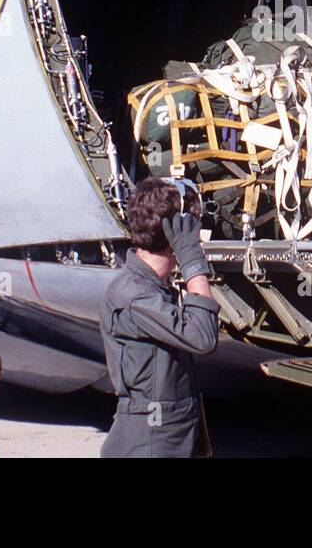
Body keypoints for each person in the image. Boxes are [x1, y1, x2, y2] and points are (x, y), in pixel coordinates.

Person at [100, 176, 219, 457]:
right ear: (173, 234)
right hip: (153, 440)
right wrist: (192, 263)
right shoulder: (134, 293)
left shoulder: (150, 285)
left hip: (169, 433)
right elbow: (202, 338)